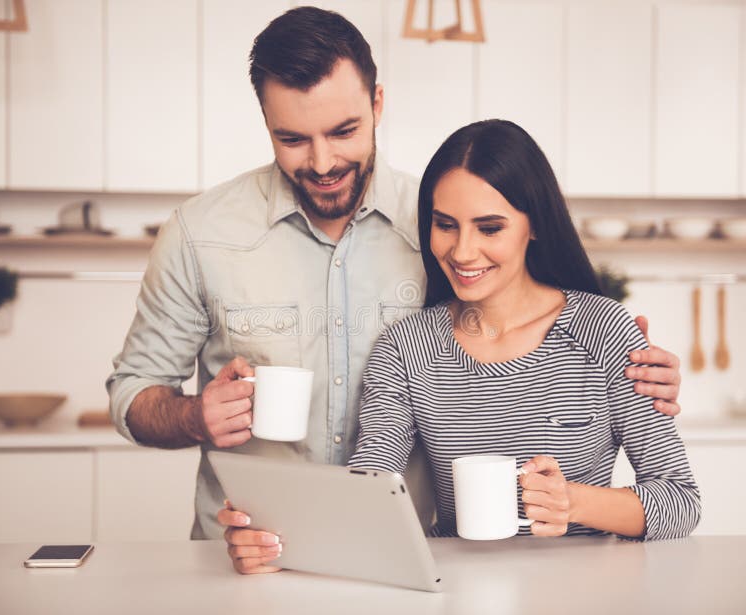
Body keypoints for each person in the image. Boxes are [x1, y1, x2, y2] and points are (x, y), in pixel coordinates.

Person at [105, 7, 683, 572]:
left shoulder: (436, 210)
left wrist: (624, 361)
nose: (323, 161)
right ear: (264, 122)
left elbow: (673, 490)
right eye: (293, 139)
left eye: (344, 130)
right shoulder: (201, 233)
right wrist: (194, 417)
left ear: (378, 104)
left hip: (440, 566)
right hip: (267, 551)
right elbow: (135, 390)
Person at [348, 119, 700, 540]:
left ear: (533, 224)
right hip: (458, 596)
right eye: (445, 224)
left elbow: (682, 502)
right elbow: (369, 489)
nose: (461, 251)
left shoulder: (603, 331)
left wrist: (571, 501)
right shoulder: (405, 348)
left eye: (490, 228)